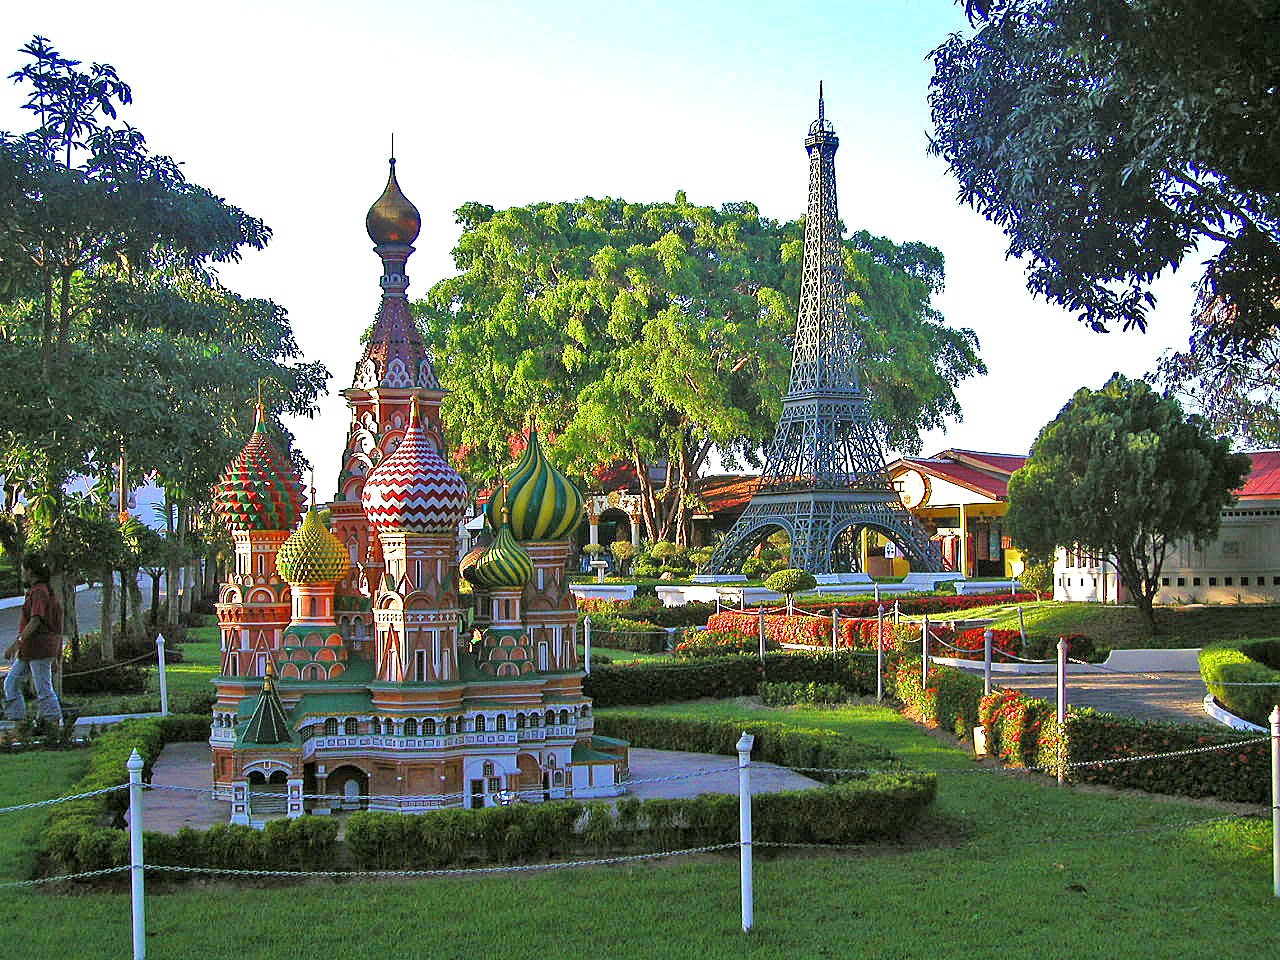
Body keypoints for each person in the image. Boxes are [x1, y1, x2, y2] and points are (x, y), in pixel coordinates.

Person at [3, 553, 64, 727]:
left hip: (39, 648)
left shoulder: (39, 592)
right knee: (11, 683)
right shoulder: (38, 591)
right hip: (30, 650)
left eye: (23, 569)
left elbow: (36, 619)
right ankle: (19, 723)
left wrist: (16, 644)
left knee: (43, 688)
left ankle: (53, 724)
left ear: (29, 571)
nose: (21, 573)